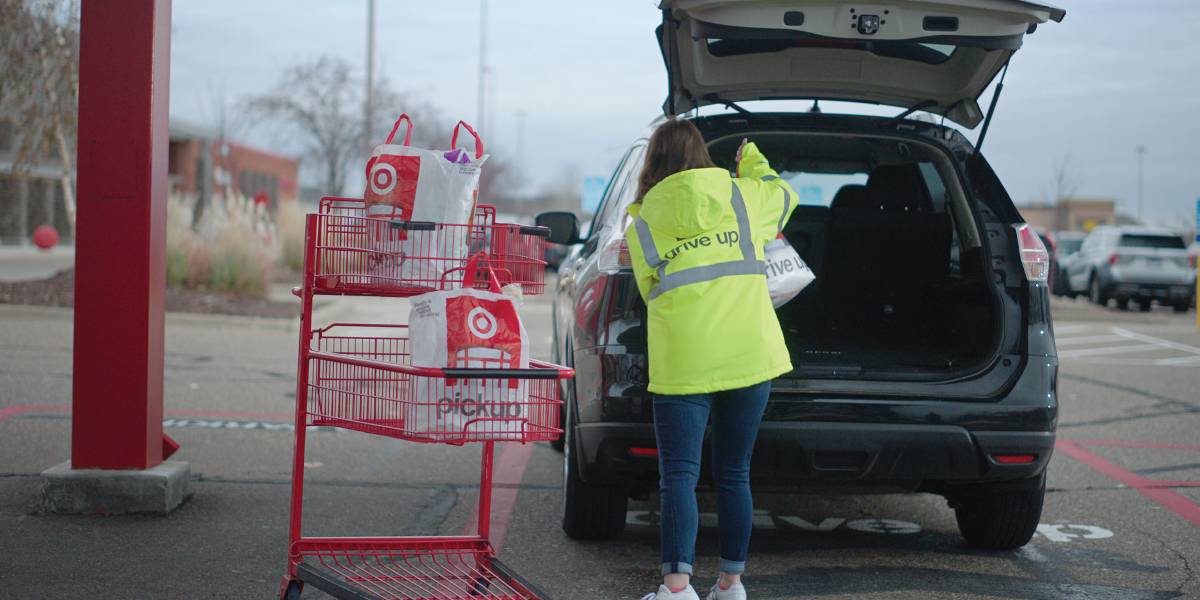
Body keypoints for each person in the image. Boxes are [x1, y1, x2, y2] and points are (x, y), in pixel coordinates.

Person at [625, 119, 797, 600]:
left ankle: (677, 589)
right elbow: (784, 194)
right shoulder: (744, 196)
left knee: (679, 474)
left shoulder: (641, 223)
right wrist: (753, 162)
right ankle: (731, 584)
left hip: (683, 359)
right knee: (735, 472)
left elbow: (649, 290)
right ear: (702, 155)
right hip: (748, 352)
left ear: (652, 163)